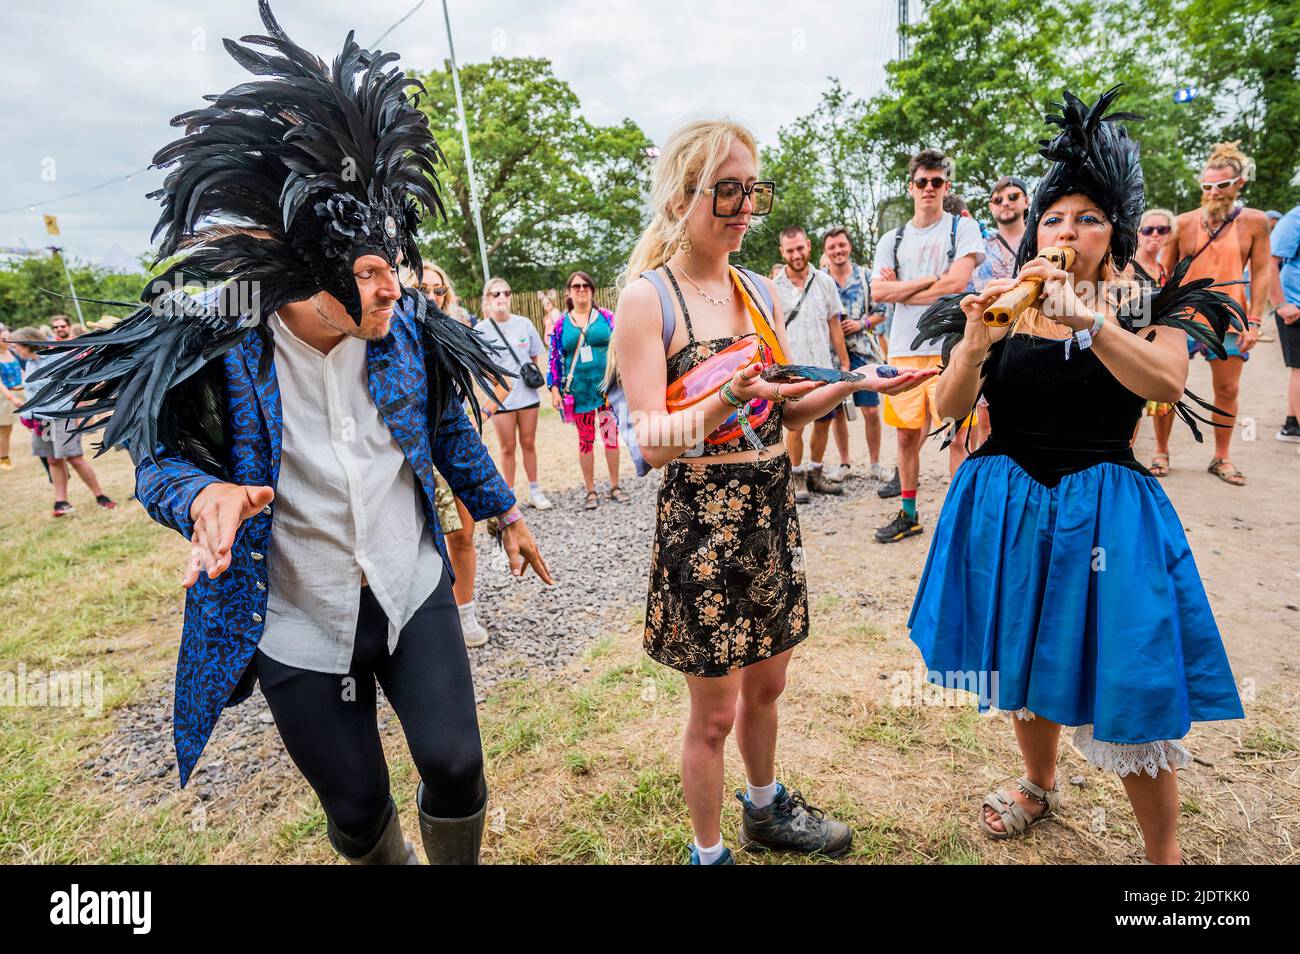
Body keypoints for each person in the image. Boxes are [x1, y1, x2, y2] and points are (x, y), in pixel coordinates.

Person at [23, 3, 553, 865]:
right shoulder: (220, 342)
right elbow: (156, 463)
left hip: (409, 583)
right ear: (313, 273)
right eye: (373, 274)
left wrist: (503, 512)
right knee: (355, 805)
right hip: (293, 616)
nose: (393, 289)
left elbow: (446, 427)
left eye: (396, 268)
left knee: (454, 763)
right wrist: (205, 495)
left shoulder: (405, 326)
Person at [908, 87, 1244, 865]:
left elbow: (1163, 382)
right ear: (1034, 231)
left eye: (1087, 217)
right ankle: (1038, 782)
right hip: (1007, 499)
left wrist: (1088, 321)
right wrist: (971, 343)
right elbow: (948, 409)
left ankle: (1164, 857)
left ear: (1114, 232)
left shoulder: (1145, 301)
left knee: (1134, 674)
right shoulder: (1004, 305)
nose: (1067, 230)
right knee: (1021, 652)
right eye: (1054, 217)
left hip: (1105, 505)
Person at [608, 118, 935, 865]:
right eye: (728, 190)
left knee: (768, 685)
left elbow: (783, 403)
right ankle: (709, 852)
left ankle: (765, 811)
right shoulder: (646, 300)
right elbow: (653, 443)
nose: (744, 207)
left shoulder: (758, 289)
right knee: (714, 712)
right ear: (683, 193)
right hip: (702, 518)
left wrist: (854, 381)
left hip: (767, 502)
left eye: (751, 190)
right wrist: (728, 399)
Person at [870, 149, 986, 543]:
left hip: (950, 346)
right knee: (906, 436)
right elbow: (878, 291)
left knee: (958, 434)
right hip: (902, 348)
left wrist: (902, 288)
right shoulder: (893, 238)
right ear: (911, 187)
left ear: (946, 186)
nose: (929, 189)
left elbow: (957, 284)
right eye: (922, 182)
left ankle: (960, 521)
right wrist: (927, 282)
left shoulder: (962, 229)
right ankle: (908, 513)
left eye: (937, 182)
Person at [1158, 142, 1273, 486]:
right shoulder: (1182, 223)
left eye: (1221, 185)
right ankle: (1161, 452)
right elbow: (1164, 272)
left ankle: (1221, 456)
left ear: (1239, 184)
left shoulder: (1255, 222)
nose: (1213, 193)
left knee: (1227, 389)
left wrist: (1254, 320)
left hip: (1229, 319)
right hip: (1182, 317)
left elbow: (1263, 270)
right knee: (1166, 385)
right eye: (1207, 186)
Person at [412, 262, 489, 646]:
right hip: (414, 455)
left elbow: (489, 384)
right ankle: (430, 620)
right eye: (422, 287)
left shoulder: (458, 334)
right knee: (424, 538)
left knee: (462, 533)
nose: (431, 296)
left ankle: (465, 611)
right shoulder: (393, 339)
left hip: (453, 449)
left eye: (438, 290)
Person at [773, 225, 850, 500]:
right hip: (792, 369)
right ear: (782, 252)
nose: (796, 254)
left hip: (822, 364)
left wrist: (843, 363)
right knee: (795, 425)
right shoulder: (774, 287)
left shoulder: (825, 282)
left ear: (808, 246)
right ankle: (796, 476)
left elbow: (835, 325)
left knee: (824, 421)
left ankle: (816, 473)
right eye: (790, 250)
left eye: (800, 248)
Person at [9, 327, 117, 514]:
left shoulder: (55, 359)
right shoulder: (30, 363)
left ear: (28, 343)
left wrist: (78, 411)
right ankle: (61, 502)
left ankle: (101, 496)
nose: (15, 350)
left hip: (61, 417)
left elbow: (79, 384)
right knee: (52, 460)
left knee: (74, 458)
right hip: (41, 420)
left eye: (17, 346)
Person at [547, 270, 627, 509]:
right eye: (576, 286)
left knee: (610, 438)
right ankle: (591, 491)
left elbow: (623, 345)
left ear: (592, 290)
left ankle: (615, 486)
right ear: (569, 293)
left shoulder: (607, 317)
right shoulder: (561, 324)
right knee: (585, 441)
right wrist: (553, 388)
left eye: (585, 286)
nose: (581, 289)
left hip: (605, 391)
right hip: (578, 393)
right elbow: (554, 357)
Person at [475, 277, 552, 510]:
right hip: (501, 400)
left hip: (527, 396)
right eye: (495, 294)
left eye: (505, 293)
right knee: (507, 447)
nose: (501, 298)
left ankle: (535, 490)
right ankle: (509, 495)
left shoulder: (524, 323)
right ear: (487, 299)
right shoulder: (481, 330)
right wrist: (498, 383)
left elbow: (534, 356)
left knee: (529, 443)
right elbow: (479, 365)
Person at [823, 226, 887, 480]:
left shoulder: (865, 276)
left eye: (841, 245)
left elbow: (882, 311)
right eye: (832, 247)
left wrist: (863, 324)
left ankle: (875, 464)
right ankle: (845, 464)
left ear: (849, 246)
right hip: (831, 355)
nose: (838, 250)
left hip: (863, 352)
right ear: (826, 252)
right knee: (837, 411)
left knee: (870, 410)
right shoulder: (820, 280)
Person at [1130, 209, 1179, 474]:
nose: (1155, 235)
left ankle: (1162, 451)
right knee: (1130, 407)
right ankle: (1125, 459)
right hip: (1135, 346)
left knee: (1166, 401)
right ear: (1137, 233)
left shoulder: (1163, 269)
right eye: (1148, 230)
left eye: (1162, 230)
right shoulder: (1127, 266)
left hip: (1160, 345)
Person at [1269, 202, 1300, 443]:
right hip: (1295, 307)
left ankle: (1292, 425)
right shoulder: (1295, 217)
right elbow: (1269, 260)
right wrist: (1280, 304)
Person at [973, 175, 1029, 293]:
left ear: (1026, 201)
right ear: (991, 207)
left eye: (1013, 197)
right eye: (998, 200)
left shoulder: (1040, 239)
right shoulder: (978, 247)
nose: (1005, 203)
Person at [0, 332, 23, 471]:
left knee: (38, 421)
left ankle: (49, 450)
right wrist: (11, 397)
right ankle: (3, 458)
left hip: (21, 391)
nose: (8, 341)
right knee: (5, 430)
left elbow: (21, 371)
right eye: (4, 339)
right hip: (5, 396)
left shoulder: (13, 353)